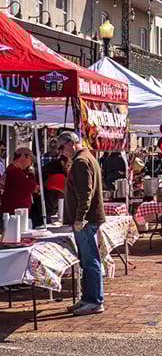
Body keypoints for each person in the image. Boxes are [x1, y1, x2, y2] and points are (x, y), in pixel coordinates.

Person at [58, 131, 106, 316]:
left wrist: (80, 218)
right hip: (88, 219)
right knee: (87, 261)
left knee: (90, 260)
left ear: (72, 143)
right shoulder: (87, 158)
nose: (62, 152)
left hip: (86, 220)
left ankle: (94, 300)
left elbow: (85, 194)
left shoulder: (80, 162)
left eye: (62, 147)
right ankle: (89, 298)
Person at [0, 147, 38, 216]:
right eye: (31, 159)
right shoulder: (15, 172)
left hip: (13, 213)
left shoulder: (12, 169)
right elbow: (32, 187)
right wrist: (30, 174)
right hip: (14, 215)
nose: (31, 163)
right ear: (23, 156)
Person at [43, 154, 70, 220]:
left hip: (48, 209)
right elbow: (71, 192)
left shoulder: (53, 170)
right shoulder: (57, 175)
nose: (70, 169)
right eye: (68, 165)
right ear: (62, 163)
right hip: (45, 212)